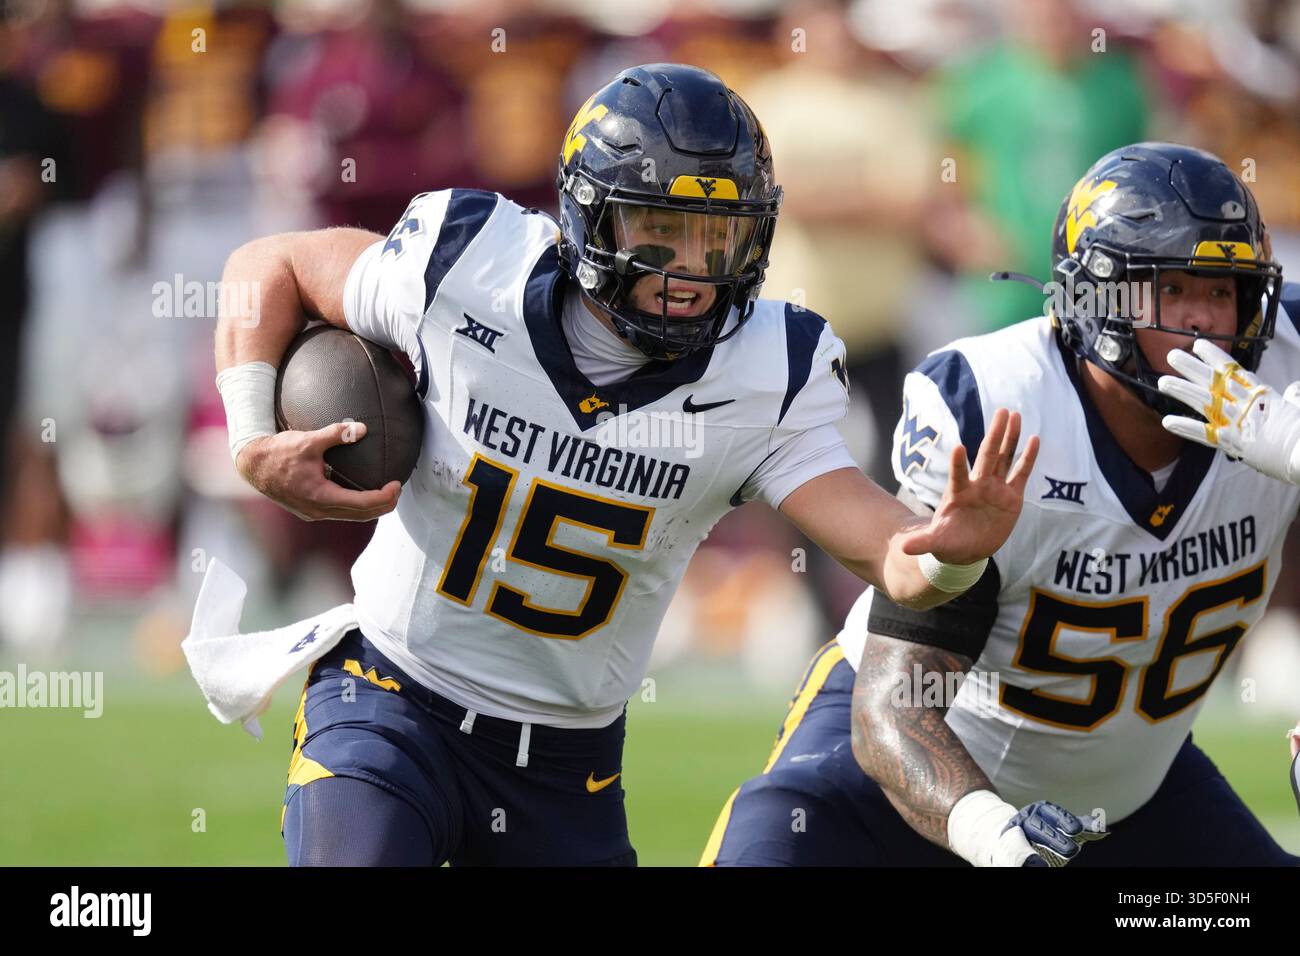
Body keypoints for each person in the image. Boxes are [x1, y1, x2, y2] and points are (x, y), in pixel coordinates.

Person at [210, 63, 1037, 866]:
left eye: (719, 236)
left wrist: (953, 552)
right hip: (388, 696)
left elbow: (889, 556)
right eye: (662, 230)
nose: (692, 272)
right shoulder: (469, 266)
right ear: (591, 217)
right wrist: (250, 440)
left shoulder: (766, 372)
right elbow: (268, 266)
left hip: (566, 770)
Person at [702, 142, 1300, 867]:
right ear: (1094, 299)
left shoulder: (1286, 381)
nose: (1207, 321)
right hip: (898, 781)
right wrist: (995, 836)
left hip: (1128, 797)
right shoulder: (1004, 410)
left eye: (1224, 289)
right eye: (1171, 291)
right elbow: (896, 704)